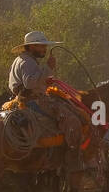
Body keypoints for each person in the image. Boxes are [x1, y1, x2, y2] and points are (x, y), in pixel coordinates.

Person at [7, 31, 83, 164]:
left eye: (44, 46)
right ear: (30, 47)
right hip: (32, 101)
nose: (44, 49)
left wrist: (45, 79)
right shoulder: (27, 62)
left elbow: (33, 81)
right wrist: (48, 68)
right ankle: (73, 158)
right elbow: (29, 83)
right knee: (71, 117)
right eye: (40, 46)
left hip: (25, 98)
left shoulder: (22, 59)